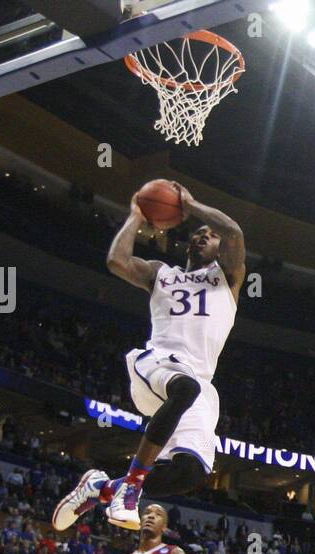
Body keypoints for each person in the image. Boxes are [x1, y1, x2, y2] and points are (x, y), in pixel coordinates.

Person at [52, 181, 245, 531]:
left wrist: (191, 204)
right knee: (184, 388)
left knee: (190, 471)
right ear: (188, 242)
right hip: (158, 364)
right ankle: (133, 487)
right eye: (199, 233)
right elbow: (117, 261)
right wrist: (136, 215)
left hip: (200, 384)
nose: (205, 236)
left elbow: (233, 231)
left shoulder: (228, 279)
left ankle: (101, 489)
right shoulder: (162, 273)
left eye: (210, 235)